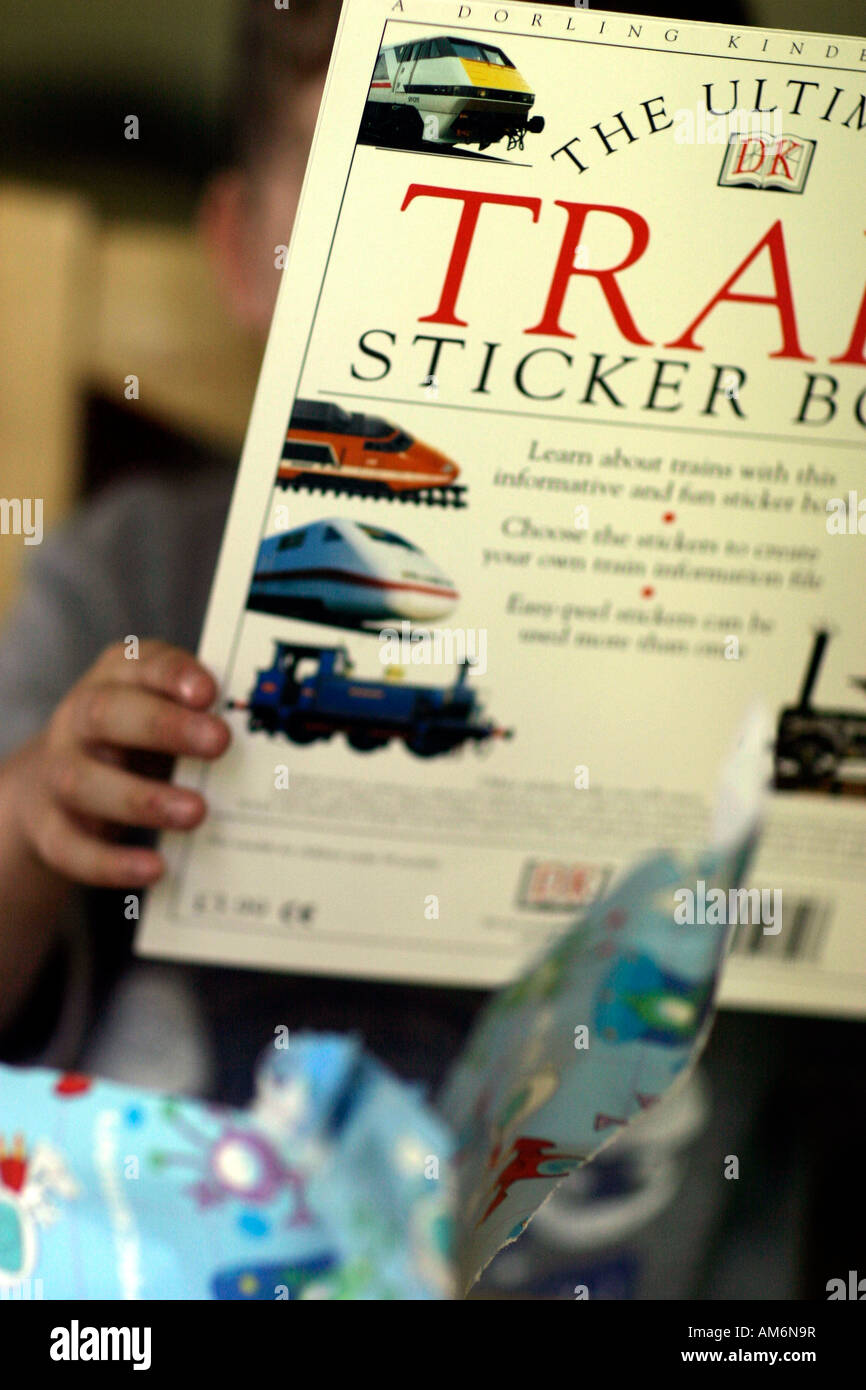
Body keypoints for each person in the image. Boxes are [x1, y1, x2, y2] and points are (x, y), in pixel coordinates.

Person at [0, 0, 752, 1107]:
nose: (478, 276)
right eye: (388, 196)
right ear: (240, 253)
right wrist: (31, 821)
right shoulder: (137, 570)